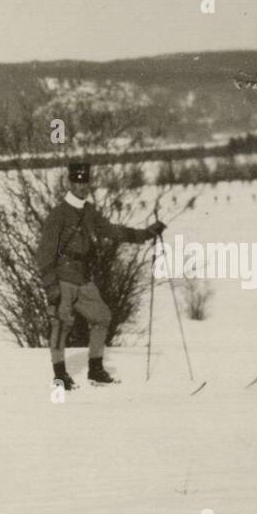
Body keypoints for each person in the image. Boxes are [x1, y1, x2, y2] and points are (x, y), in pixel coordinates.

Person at [36, 161, 164, 389]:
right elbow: (45, 252)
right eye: (77, 181)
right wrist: (51, 286)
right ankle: (59, 376)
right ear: (69, 183)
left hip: (82, 277)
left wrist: (145, 234)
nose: (82, 186)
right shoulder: (59, 214)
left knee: (102, 317)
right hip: (62, 277)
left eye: (85, 182)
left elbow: (113, 231)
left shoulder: (89, 212)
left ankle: (95, 370)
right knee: (60, 325)